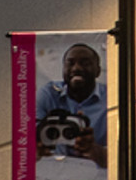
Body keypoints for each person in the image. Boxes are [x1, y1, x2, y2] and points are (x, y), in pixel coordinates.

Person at [35, 39, 107, 169]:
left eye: (85, 63)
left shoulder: (110, 99)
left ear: (97, 71)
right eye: (70, 63)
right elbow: (27, 142)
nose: (77, 68)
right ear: (63, 70)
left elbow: (121, 157)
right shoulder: (48, 94)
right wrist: (40, 148)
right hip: (53, 177)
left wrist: (92, 149)